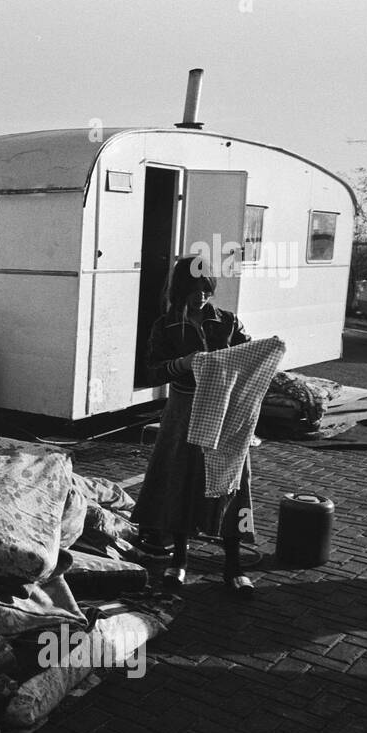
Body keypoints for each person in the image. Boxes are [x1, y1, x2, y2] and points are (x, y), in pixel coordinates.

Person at [132, 254, 257, 596]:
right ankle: (180, 559)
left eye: (205, 288)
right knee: (181, 480)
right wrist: (183, 363)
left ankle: (233, 564)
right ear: (180, 289)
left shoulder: (229, 322)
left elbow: (248, 359)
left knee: (232, 481)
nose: (200, 296)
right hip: (184, 411)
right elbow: (153, 370)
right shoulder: (166, 326)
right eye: (193, 289)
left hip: (226, 414)